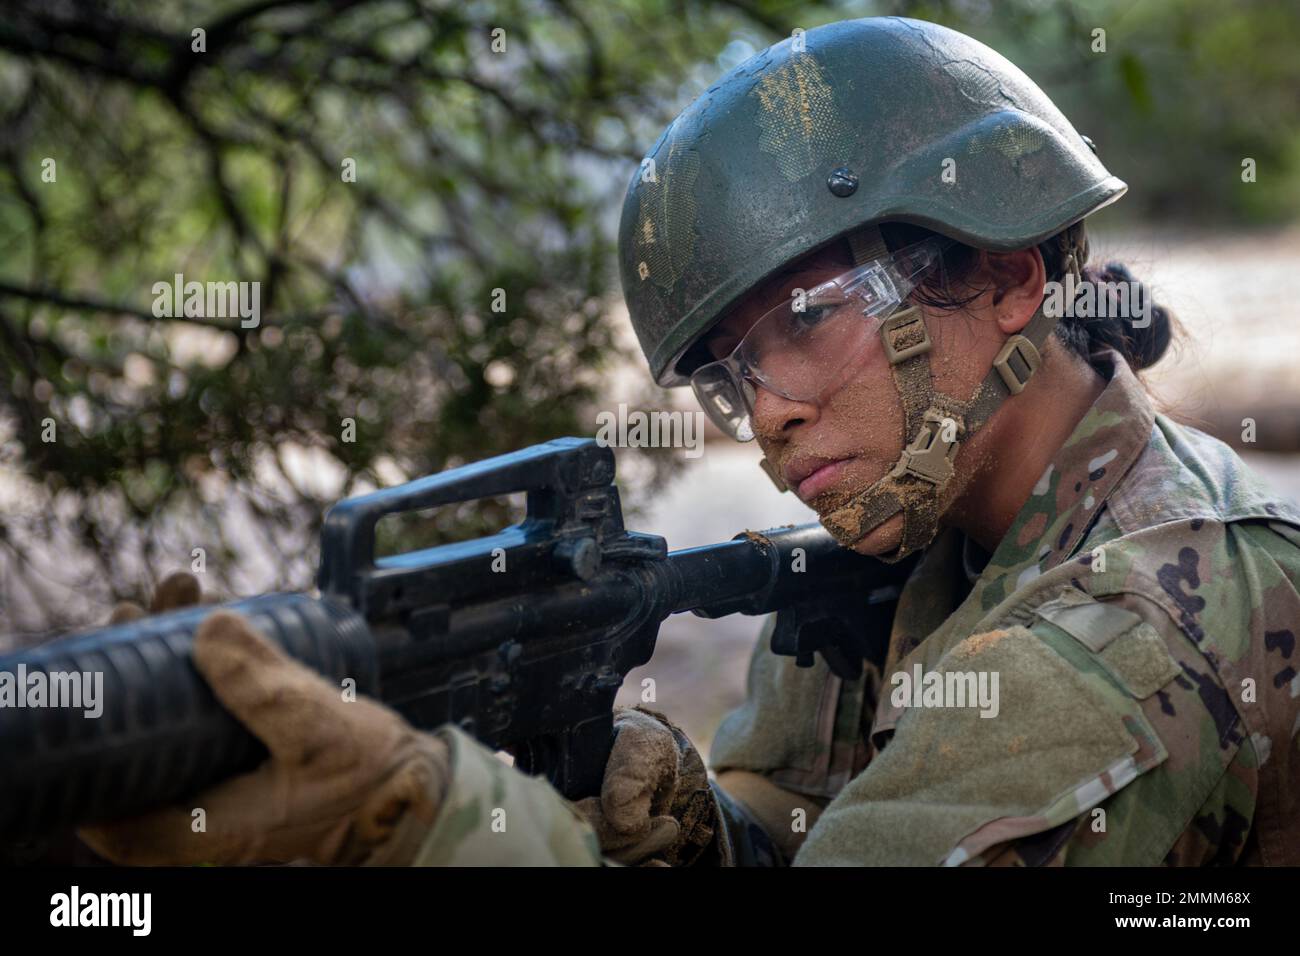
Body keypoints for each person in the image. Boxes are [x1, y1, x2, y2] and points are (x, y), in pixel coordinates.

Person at [80, 16, 1300, 867]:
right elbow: (814, 825)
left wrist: (425, 819)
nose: (766, 415)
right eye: (728, 373)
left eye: (805, 321)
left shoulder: (1124, 636)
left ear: (1006, 273)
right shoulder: (916, 527)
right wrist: (692, 825)